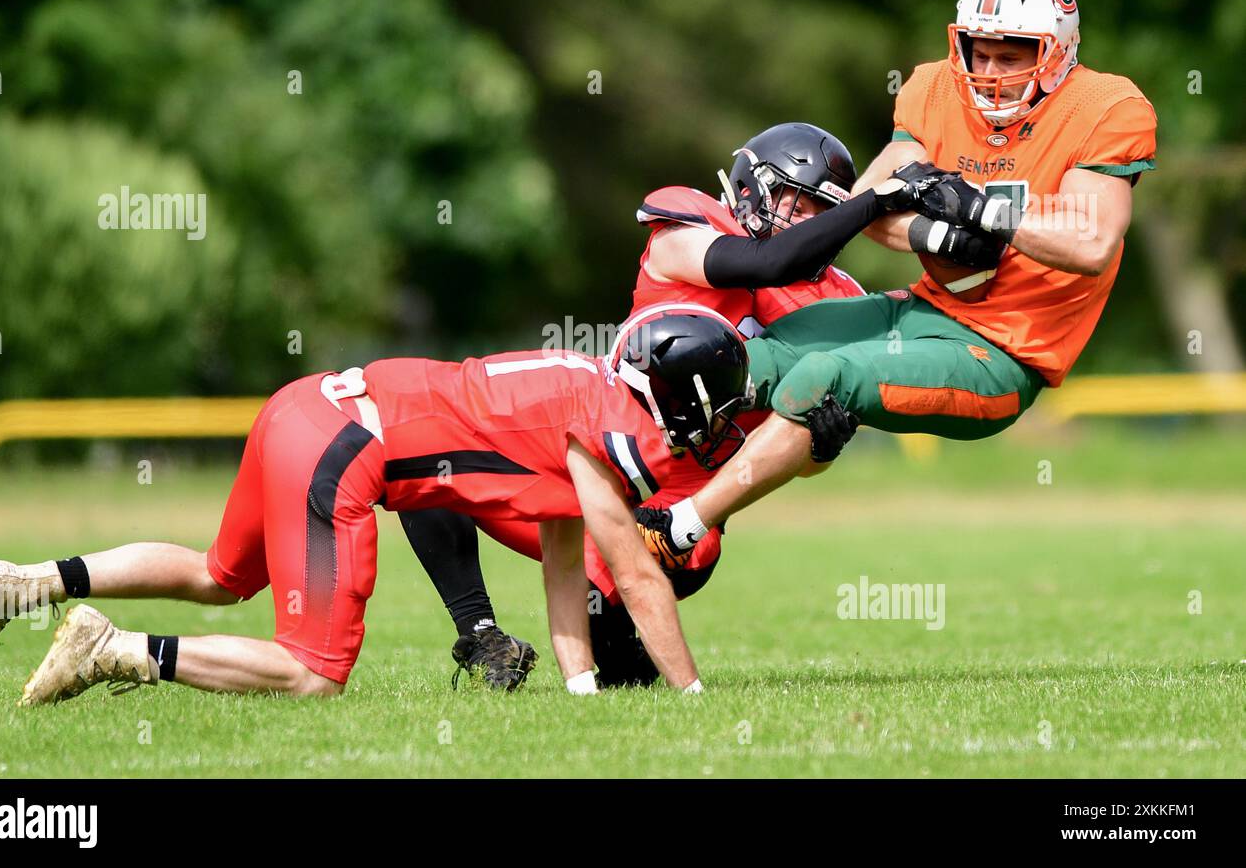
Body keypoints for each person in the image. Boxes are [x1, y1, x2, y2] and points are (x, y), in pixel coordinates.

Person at [400, 122, 960, 687]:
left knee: (621, 662)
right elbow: (768, 264)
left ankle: (618, 642)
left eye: (822, 209)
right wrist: (875, 202)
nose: (807, 220)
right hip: (595, 456)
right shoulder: (689, 225)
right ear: (752, 186)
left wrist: (823, 445)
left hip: (678, 505)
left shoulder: (838, 297)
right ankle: (481, 632)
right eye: (797, 200)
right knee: (427, 451)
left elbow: (796, 451)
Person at [0, 308, 751, 703]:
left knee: (218, 575)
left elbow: (564, 561)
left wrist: (581, 693)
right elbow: (639, 580)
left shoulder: (582, 384)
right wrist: (691, 698)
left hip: (307, 405)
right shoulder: (607, 428)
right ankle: (114, 650)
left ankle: (20, 584)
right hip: (345, 449)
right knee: (313, 675)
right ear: (687, 394)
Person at [633, 0, 1158, 554]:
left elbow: (1091, 245)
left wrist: (982, 212)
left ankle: (680, 527)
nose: (987, 75)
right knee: (728, 358)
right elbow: (868, 204)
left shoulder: (1106, 106)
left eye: (1010, 59)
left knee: (822, 379)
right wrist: (938, 236)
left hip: (1003, 353)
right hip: (923, 309)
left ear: (1057, 53)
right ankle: (618, 470)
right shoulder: (936, 88)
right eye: (978, 54)